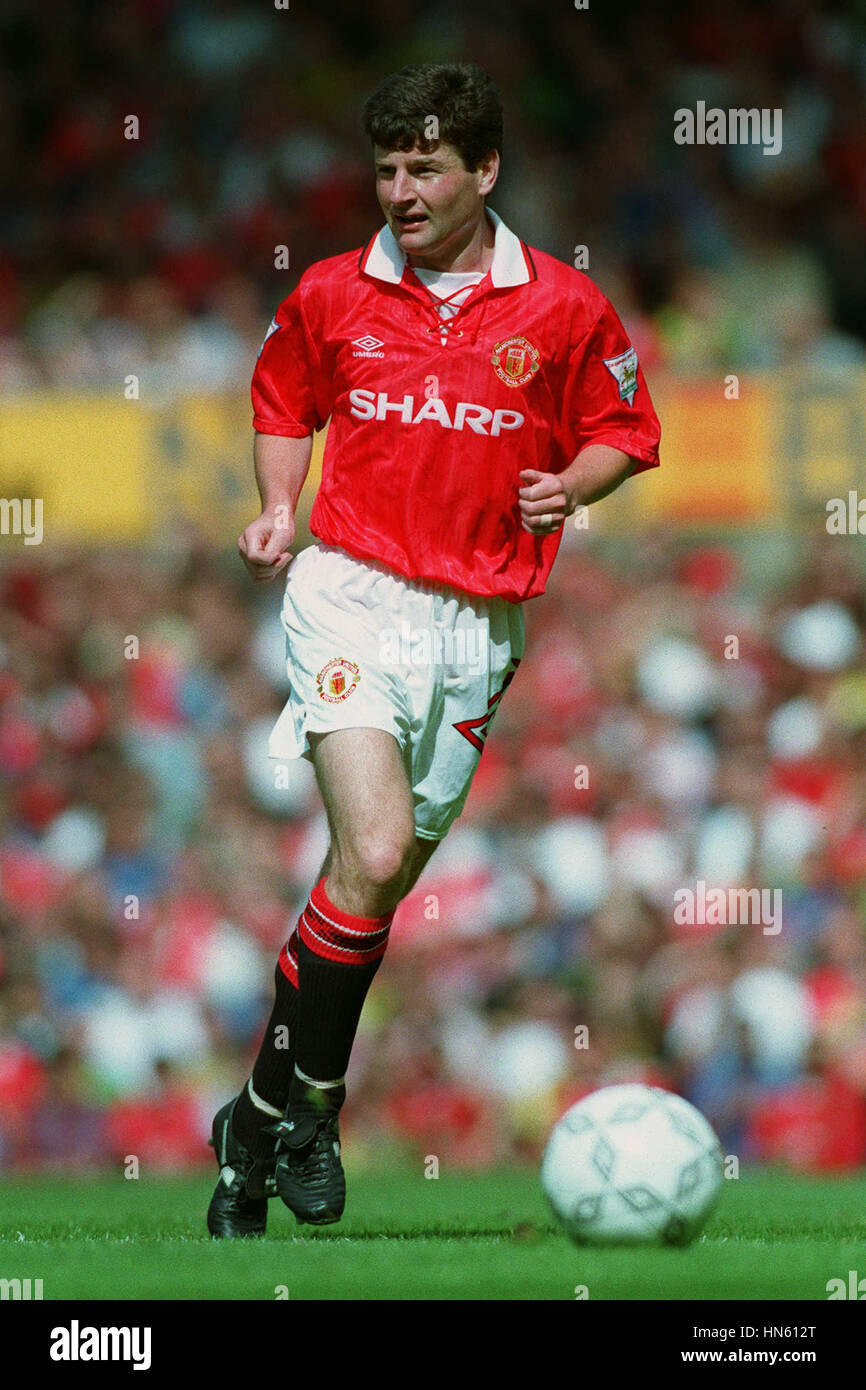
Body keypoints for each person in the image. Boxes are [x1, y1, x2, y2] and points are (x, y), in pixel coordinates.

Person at [207, 60, 660, 1237]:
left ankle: (252, 1117)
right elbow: (280, 400)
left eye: (424, 168)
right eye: (386, 168)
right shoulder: (329, 292)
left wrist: (573, 482)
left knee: (370, 887)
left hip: (476, 627)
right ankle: (315, 1103)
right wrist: (274, 505)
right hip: (351, 591)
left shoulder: (561, 304)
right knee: (374, 842)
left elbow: (623, 426)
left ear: (484, 171)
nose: (399, 190)